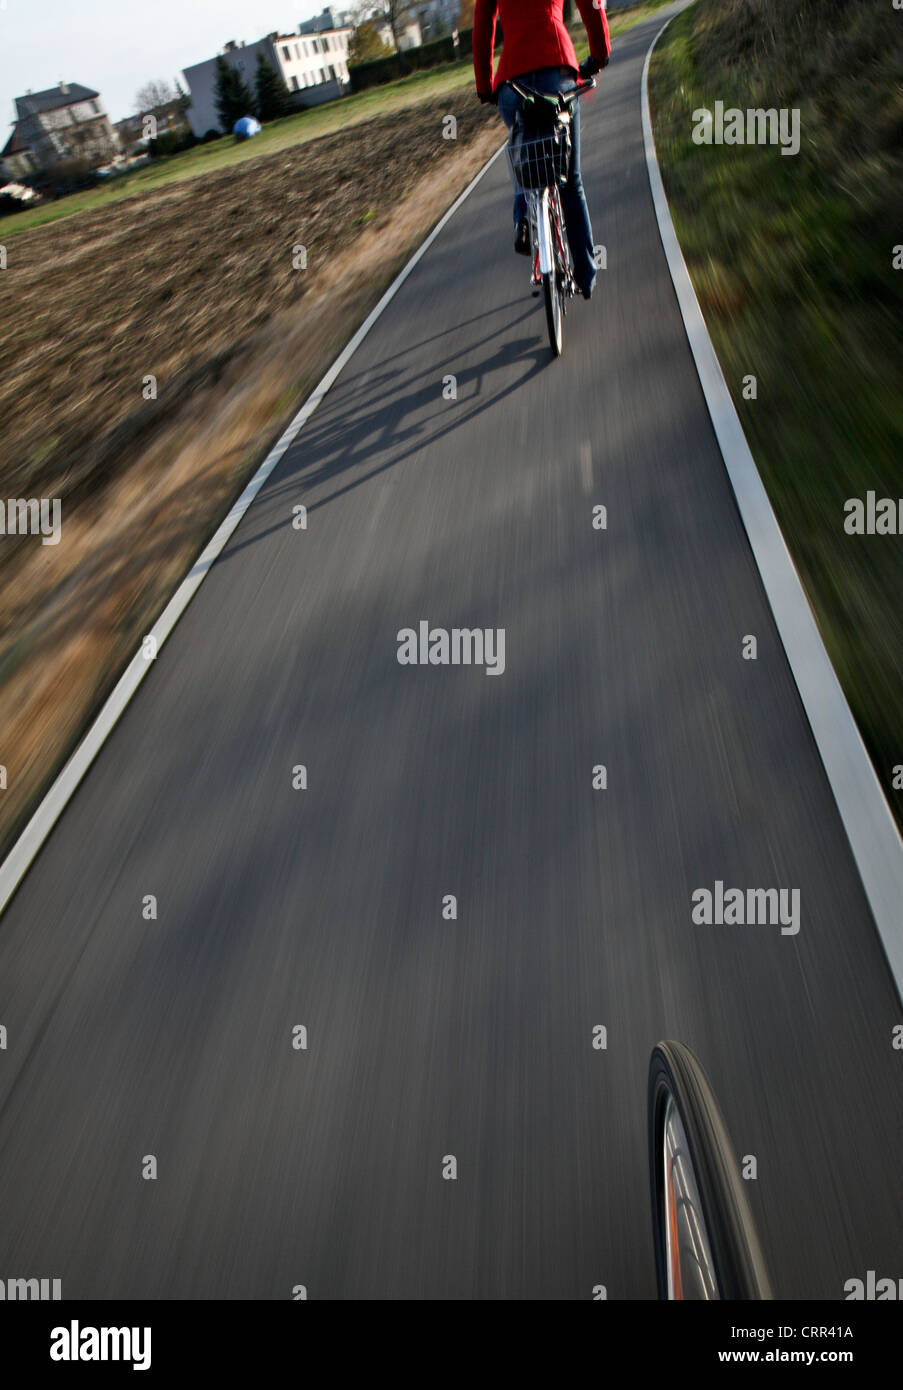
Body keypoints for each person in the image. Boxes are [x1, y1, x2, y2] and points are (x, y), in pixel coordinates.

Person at [473, 0, 611, 299]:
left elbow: (483, 20)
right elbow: (593, 3)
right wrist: (600, 54)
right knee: (570, 180)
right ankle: (586, 276)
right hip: (557, 70)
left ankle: (522, 215)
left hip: (513, 82)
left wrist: (484, 84)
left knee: (525, 148)